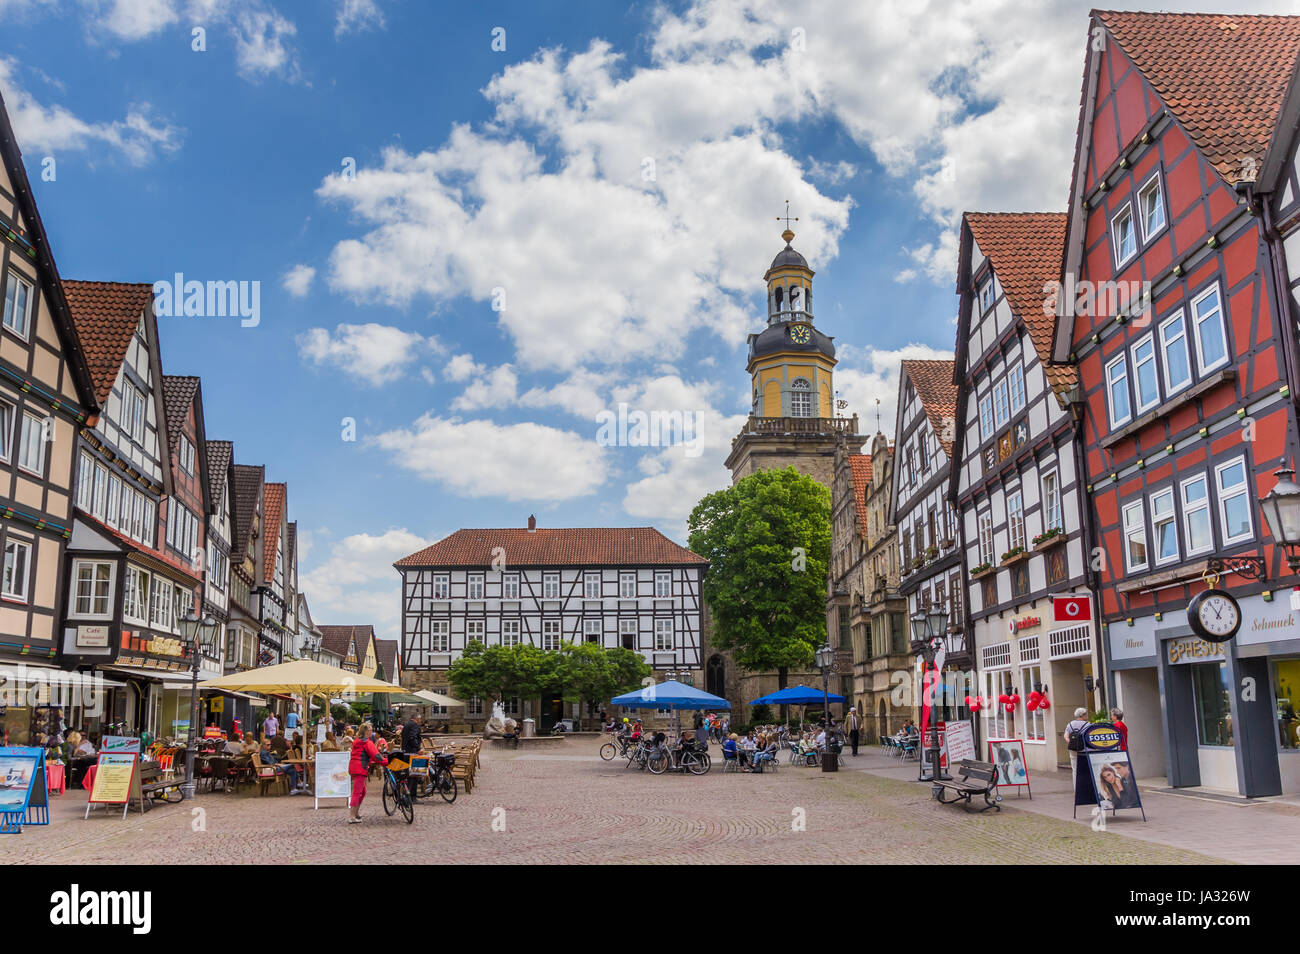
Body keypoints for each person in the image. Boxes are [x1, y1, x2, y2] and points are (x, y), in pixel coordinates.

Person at [347, 724, 388, 824]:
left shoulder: (358, 741)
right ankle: (352, 816)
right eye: (370, 730)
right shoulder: (367, 742)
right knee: (357, 792)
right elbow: (376, 756)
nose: (372, 732)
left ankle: (355, 813)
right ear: (366, 731)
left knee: (362, 791)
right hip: (360, 768)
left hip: (354, 767)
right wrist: (387, 762)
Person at [1064, 707, 1090, 786]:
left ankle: (1077, 789)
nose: (1087, 716)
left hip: (1073, 749)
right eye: (1086, 714)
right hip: (1085, 749)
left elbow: (1066, 736)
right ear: (1083, 715)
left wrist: (1073, 743)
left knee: (1075, 769)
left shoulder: (1070, 724)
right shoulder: (1088, 724)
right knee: (1086, 769)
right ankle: (1085, 788)